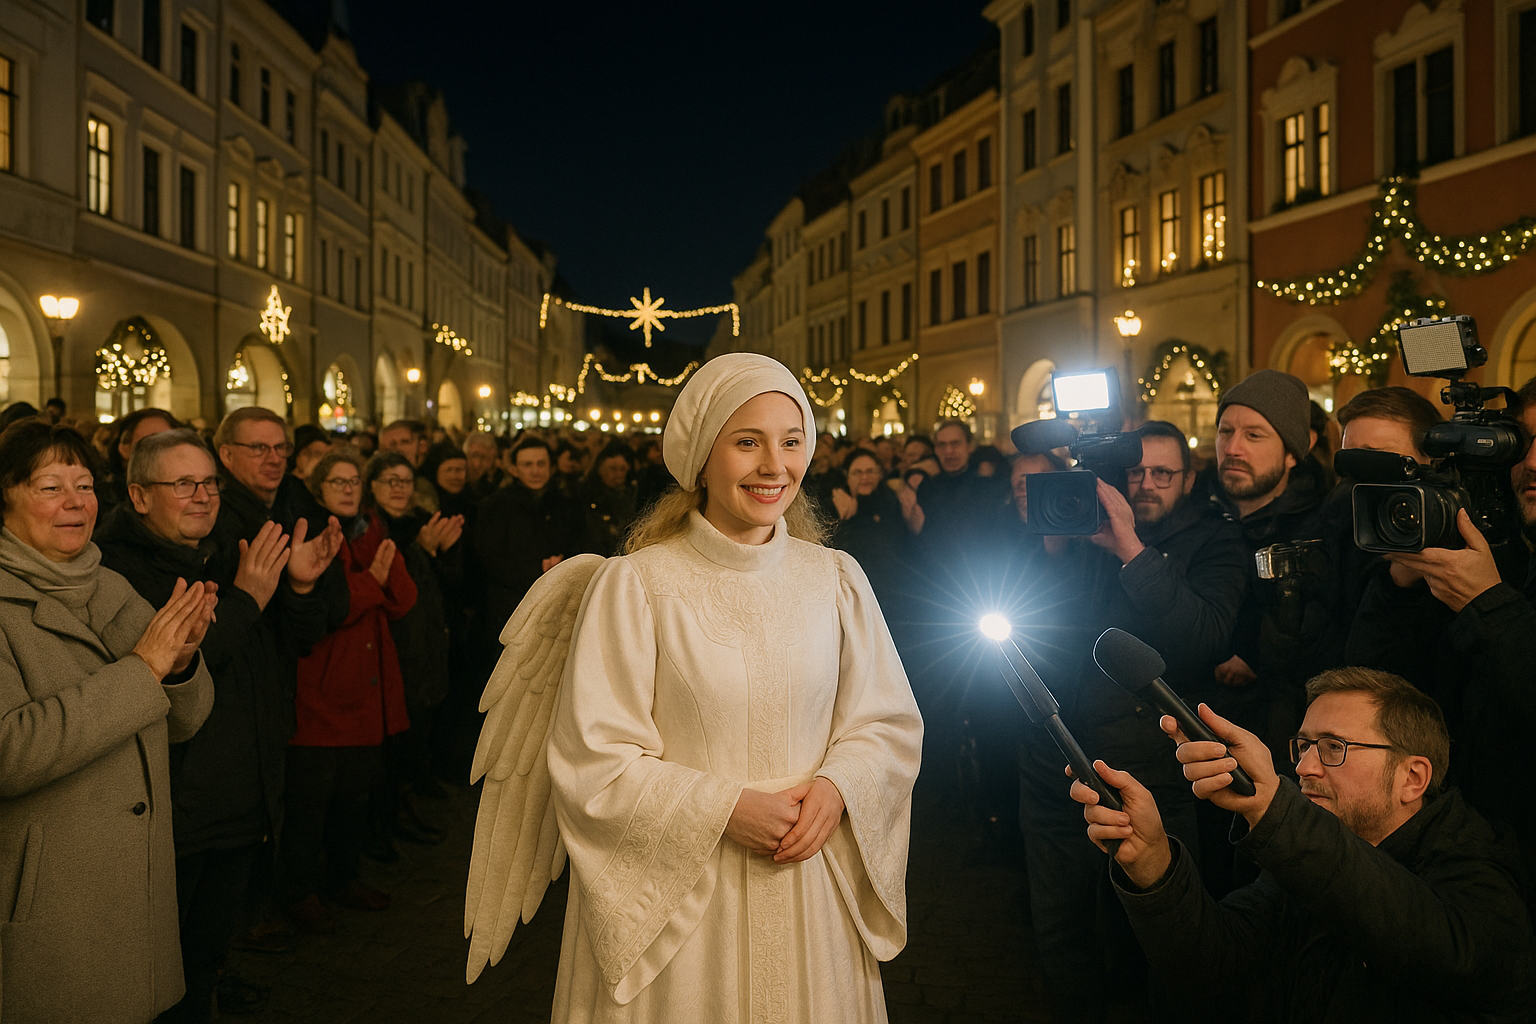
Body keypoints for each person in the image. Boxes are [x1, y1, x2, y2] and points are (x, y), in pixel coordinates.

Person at [475, 352, 923, 1021]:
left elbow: (884, 723)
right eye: (748, 442)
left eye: (792, 441)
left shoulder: (836, 578)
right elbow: (593, 761)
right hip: (684, 912)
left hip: (809, 885)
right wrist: (723, 809)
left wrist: (838, 788)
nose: (775, 465)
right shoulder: (637, 587)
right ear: (700, 457)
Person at [1071, 666, 1536, 1021]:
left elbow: (1440, 949)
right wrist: (1154, 864)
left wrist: (1272, 810)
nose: (1306, 767)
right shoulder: (1303, 857)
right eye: (1304, 746)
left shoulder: (1477, 866)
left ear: (1412, 778)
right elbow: (1218, 973)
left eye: (1334, 747)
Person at [96, 428, 339, 1020]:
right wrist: (250, 597)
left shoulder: (224, 545)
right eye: (183, 483)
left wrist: (298, 586)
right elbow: (183, 663)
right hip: (178, 801)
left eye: (207, 481)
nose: (203, 495)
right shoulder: (117, 571)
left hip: (237, 789)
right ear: (139, 494)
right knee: (159, 968)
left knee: (206, 954)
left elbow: (293, 641)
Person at [1019, 421, 1249, 1020]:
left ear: (1189, 479)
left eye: (1162, 473)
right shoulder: (1080, 530)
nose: (1146, 484)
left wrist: (1129, 548)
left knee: (1154, 935)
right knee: (1062, 928)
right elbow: (1039, 629)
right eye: (1136, 472)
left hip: (1156, 775)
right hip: (1058, 761)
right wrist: (1055, 548)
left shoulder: (1214, 539)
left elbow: (1201, 639)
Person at [0, 418, 215, 1023]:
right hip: (52, 900)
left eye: (85, 484)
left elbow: (186, 721)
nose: (76, 503)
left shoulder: (110, 585)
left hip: (134, 890)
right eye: (50, 487)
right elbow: (10, 752)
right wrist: (144, 668)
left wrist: (182, 660)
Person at [1346, 376, 1536, 887]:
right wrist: (1401, 582)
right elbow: (1375, 687)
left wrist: (1488, 604)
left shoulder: (1491, 588)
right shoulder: (1495, 555)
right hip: (1457, 851)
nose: (1534, 462)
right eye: (1525, 443)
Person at [278, 451, 416, 933]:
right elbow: (330, 609)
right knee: (310, 805)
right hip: (323, 689)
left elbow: (403, 600)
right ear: (318, 488)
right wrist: (370, 582)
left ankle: (344, 877)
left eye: (355, 480)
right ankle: (299, 891)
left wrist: (380, 574)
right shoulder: (314, 535)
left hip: (367, 688)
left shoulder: (373, 531)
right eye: (337, 481)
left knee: (353, 799)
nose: (348, 488)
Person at [1208, 370, 1343, 759]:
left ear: (1292, 452)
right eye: (1225, 431)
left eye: (1254, 435)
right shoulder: (1198, 517)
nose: (1233, 448)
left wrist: (1254, 654)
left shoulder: (1321, 532)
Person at [578, 441, 638, 557]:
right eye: (613, 469)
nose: (618, 474)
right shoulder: (586, 494)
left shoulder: (631, 495)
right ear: (600, 468)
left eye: (622, 469)